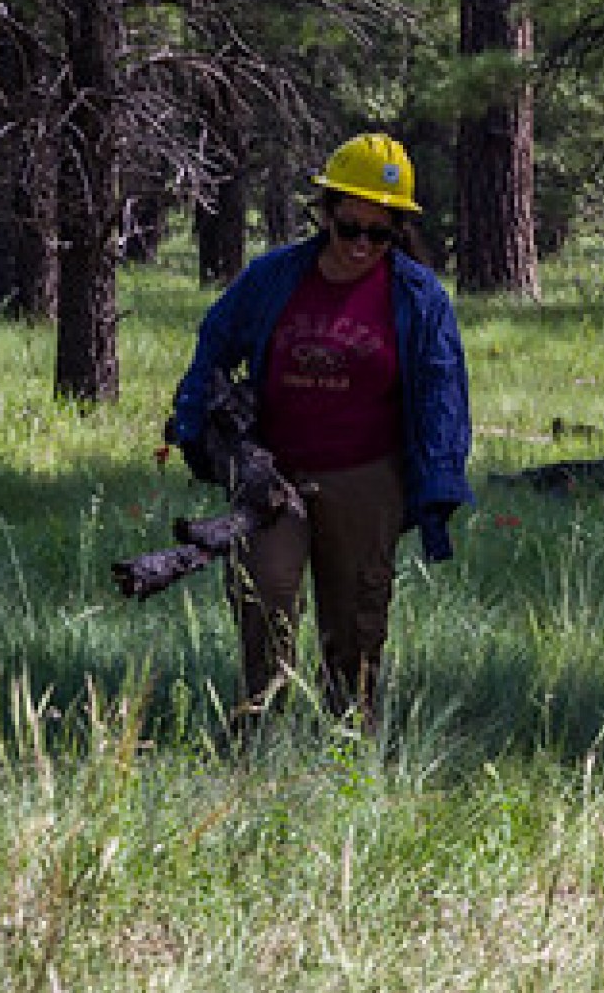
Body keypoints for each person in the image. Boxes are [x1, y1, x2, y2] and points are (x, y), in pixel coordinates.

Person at [166, 132, 472, 724]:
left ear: (398, 230)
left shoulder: (419, 298)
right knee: (266, 594)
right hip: (272, 476)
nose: (362, 244)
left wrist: (439, 480)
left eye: (380, 233)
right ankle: (259, 737)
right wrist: (201, 428)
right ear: (326, 213)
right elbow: (214, 344)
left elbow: (443, 394)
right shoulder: (274, 277)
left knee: (356, 623)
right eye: (350, 227)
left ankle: (350, 745)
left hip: (366, 478)